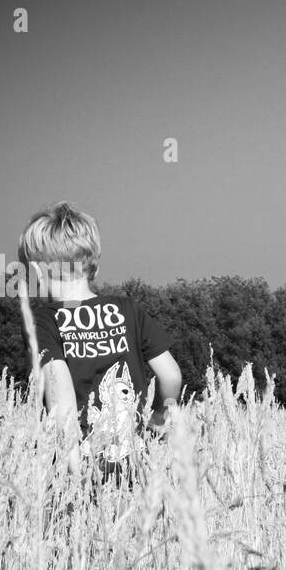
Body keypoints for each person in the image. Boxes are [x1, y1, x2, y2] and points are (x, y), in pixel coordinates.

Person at [19, 202, 182, 483]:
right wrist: (158, 418)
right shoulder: (127, 309)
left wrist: (77, 481)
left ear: (36, 270)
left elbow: (61, 401)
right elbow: (171, 375)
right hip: (136, 466)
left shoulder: (44, 321)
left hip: (82, 470)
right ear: (93, 263)